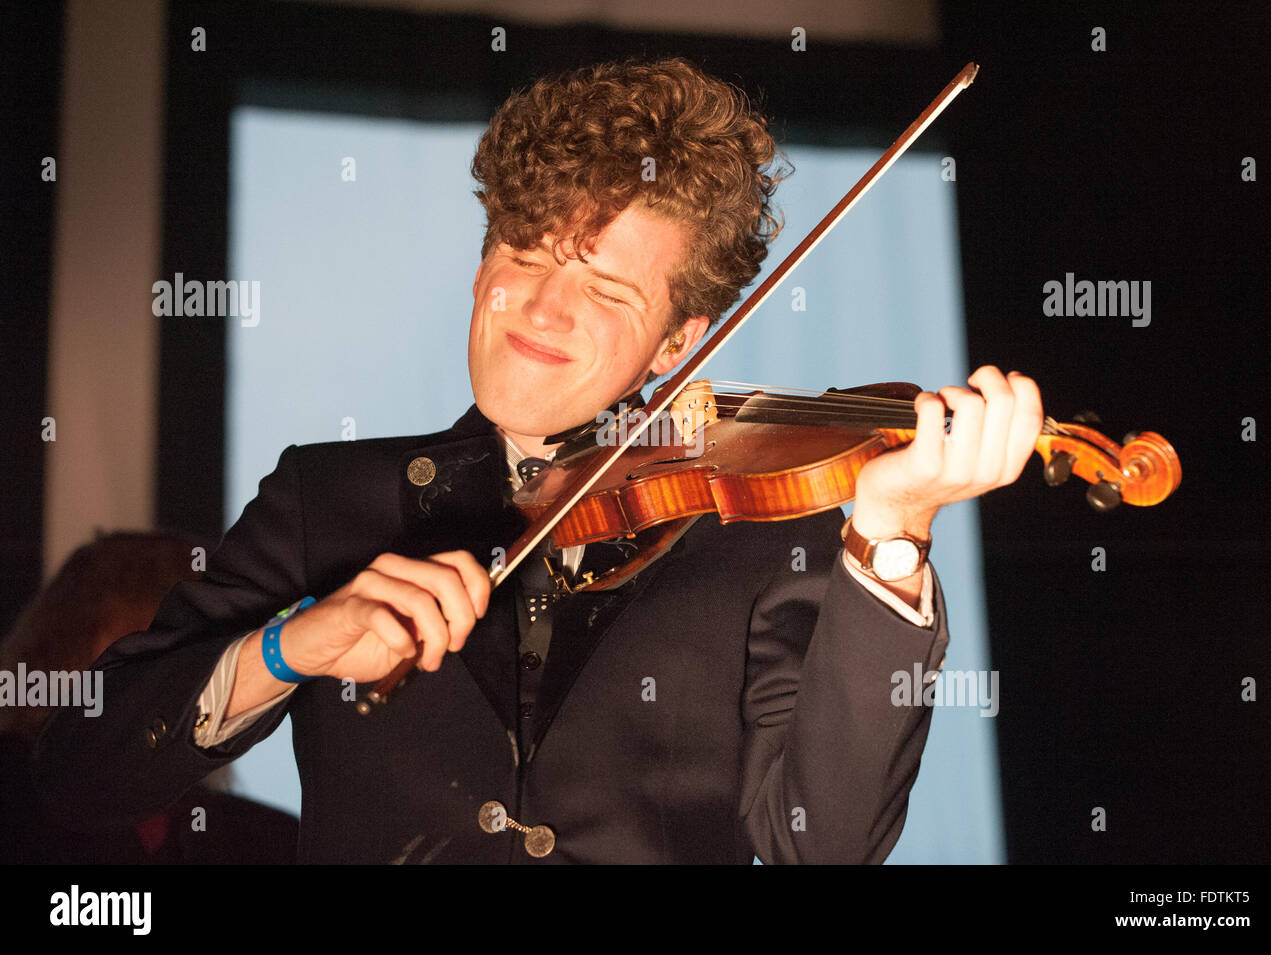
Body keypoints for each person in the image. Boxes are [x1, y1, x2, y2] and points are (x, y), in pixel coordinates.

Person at [36, 58, 1041, 864]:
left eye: (607, 291)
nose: (545, 312)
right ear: (481, 264)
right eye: (525, 256)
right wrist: (287, 646)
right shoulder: (325, 500)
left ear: (678, 343)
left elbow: (822, 845)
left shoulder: (764, 532)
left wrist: (893, 537)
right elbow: (79, 772)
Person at [2, 532, 298, 864]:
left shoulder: (270, 840)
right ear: (69, 643)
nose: (191, 679)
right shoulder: (15, 804)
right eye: (145, 647)